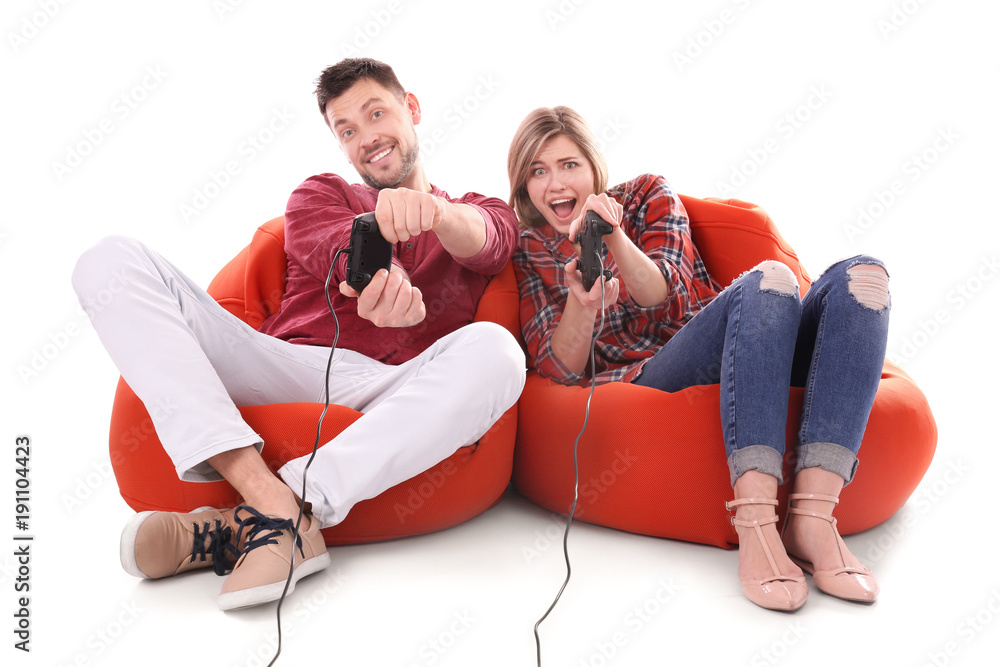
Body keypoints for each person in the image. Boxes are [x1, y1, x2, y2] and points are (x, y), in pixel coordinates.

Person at [72, 58, 525, 611]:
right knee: (109, 261)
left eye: (375, 114)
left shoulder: (479, 209)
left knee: (500, 353)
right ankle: (269, 498)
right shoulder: (321, 192)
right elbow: (337, 248)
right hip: (283, 365)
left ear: (411, 109)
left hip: (396, 387)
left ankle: (249, 521)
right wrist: (379, 276)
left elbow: (491, 243)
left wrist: (435, 213)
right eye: (346, 130)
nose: (365, 138)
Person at [507, 106, 888, 611]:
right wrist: (582, 303)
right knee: (770, 278)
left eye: (568, 164)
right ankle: (756, 524)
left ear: (593, 166)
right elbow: (559, 369)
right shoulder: (528, 246)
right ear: (524, 185)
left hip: (736, 339)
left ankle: (813, 520)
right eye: (538, 171)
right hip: (656, 372)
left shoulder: (647, 195)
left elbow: (664, 297)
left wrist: (614, 235)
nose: (555, 183)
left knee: (864, 277)